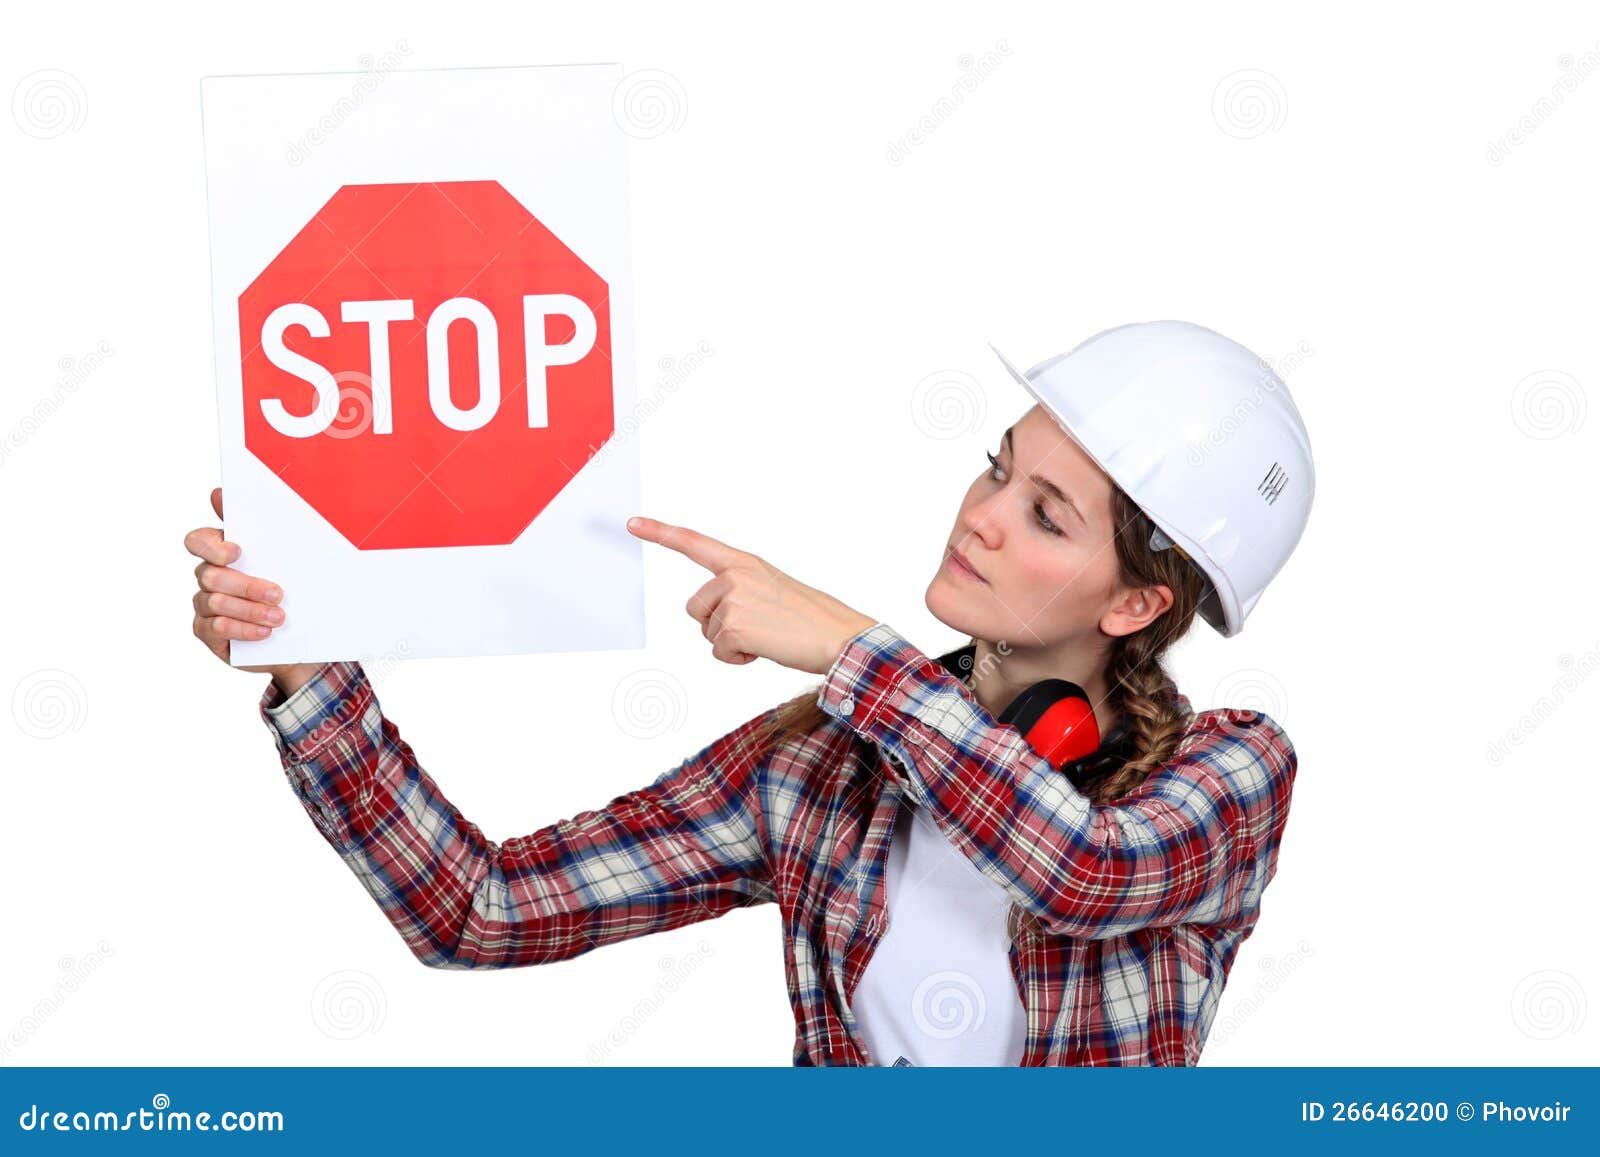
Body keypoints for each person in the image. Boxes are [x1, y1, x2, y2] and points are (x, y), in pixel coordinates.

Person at [185, 319, 1313, 1066]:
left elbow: (1080, 869)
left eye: (1046, 515)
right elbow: (476, 910)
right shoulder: (818, 768)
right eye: (997, 467)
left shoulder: (1229, 772)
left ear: (1133, 607)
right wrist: (311, 661)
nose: (981, 513)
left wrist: (853, 649)